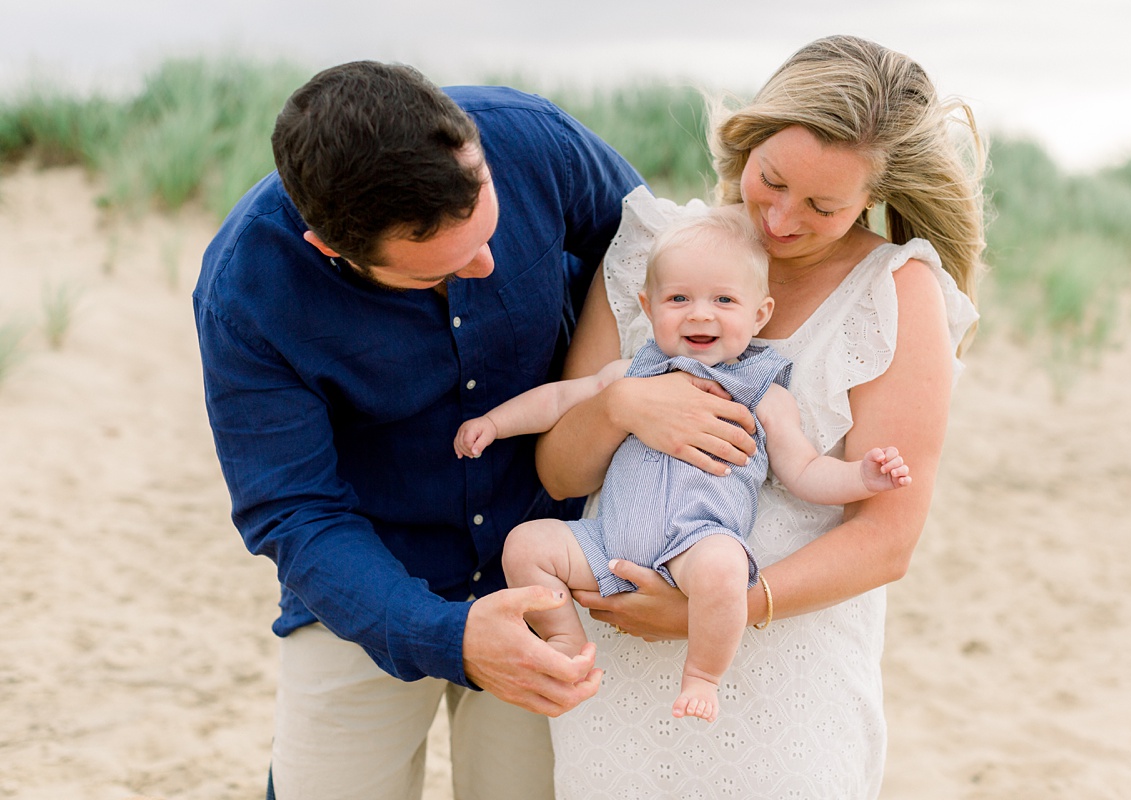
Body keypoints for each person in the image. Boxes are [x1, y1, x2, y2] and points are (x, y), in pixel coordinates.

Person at [535, 35, 985, 798]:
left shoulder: (895, 292)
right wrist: (622, 404)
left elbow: (886, 539)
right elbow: (559, 471)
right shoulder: (655, 248)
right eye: (769, 180)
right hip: (619, 677)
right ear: (746, 137)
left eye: (823, 206)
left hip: (787, 687)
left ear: (873, 195)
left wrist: (712, 613)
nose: (778, 219)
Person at [192, 61, 642, 800]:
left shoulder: (535, 140)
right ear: (330, 249)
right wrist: (448, 636)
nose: (488, 263)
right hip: (366, 585)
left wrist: (603, 398)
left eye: (490, 231)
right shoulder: (246, 289)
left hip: (556, 563)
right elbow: (295, 510)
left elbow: (656, 248)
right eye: (440, 271)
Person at [454, 209, 911, 723]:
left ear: (760, 315)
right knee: (526, 545)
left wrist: (860, 478)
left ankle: (702, 675)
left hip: (694, 543)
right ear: (648, 308)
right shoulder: (632, 373)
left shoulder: (762, 391)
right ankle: (563, 637)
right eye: (678, 299)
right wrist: (494, 422)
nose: (699, 314)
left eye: (724, 300)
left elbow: (804, 471)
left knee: (724, 569)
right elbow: (561, 400)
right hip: (609, 540)